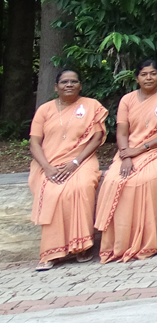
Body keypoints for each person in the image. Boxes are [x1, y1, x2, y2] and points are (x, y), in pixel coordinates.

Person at [96, 59, 157, 262]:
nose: (149, 77)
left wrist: (142, 148)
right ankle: (120, 245)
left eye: (153, 73)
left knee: (144, 180)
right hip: (129, 150)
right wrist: (126, 154)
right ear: (136, 77)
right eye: (144, 74)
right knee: (112, 180)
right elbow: (121, 132)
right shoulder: (127, 100)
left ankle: (146, 241)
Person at [28, 69, 107, 271]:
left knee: (81, 187)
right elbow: (35, 142)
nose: (69, 85)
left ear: (80, 85)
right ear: (56, 87)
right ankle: (51, 252)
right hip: (49, 163)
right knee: (52, 192)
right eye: (64, 82)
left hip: (82, 159)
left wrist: (75, 162)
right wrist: (47, 168)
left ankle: (82, 246)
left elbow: (97, 138)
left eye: (74, 81)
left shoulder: (91, 106)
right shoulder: (44, 110)